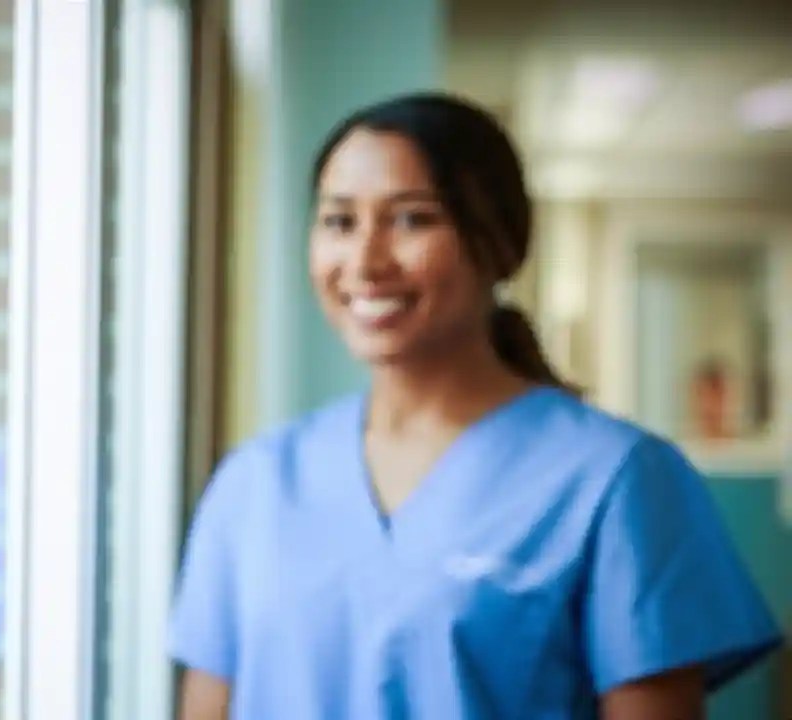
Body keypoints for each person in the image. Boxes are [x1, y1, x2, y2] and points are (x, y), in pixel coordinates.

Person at [170, 92, 784, 719]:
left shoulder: (616, 480)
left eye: (413, 219)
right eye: (339, 221)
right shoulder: (256, 483)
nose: (365, 261)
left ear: (499, 244)